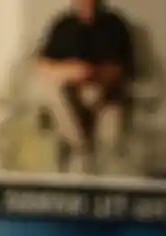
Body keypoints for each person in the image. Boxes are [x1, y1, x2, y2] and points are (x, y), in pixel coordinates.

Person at [35, 0, 136, 173]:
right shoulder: (63, 25)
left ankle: (84, 154)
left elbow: (120, 69)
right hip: (69, 90)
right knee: (50, 91)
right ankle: (81, 146)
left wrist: (91, 73)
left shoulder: (113, 25)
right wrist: (70, 71)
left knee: (103, 115)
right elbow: (43, 64)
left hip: (103, 92)